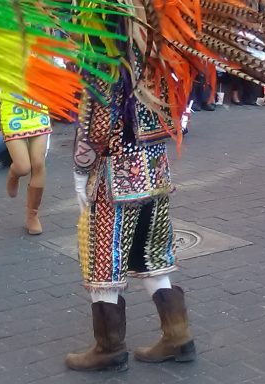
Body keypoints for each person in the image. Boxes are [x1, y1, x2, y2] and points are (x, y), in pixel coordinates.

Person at [66, 71, 195, 372]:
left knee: (102, 258)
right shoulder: (156, 57)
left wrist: (80, 170)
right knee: (151, 254)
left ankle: (109, 348)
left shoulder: (106, 58)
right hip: (155, 169)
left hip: (116, 175)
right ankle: (178, 336)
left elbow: (97, 124)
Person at [0, 97, 52, 234]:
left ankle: (32, 215)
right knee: (23, 167)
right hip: (13, 112)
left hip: (37, 108)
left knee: (38, 163)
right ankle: (14, 172)